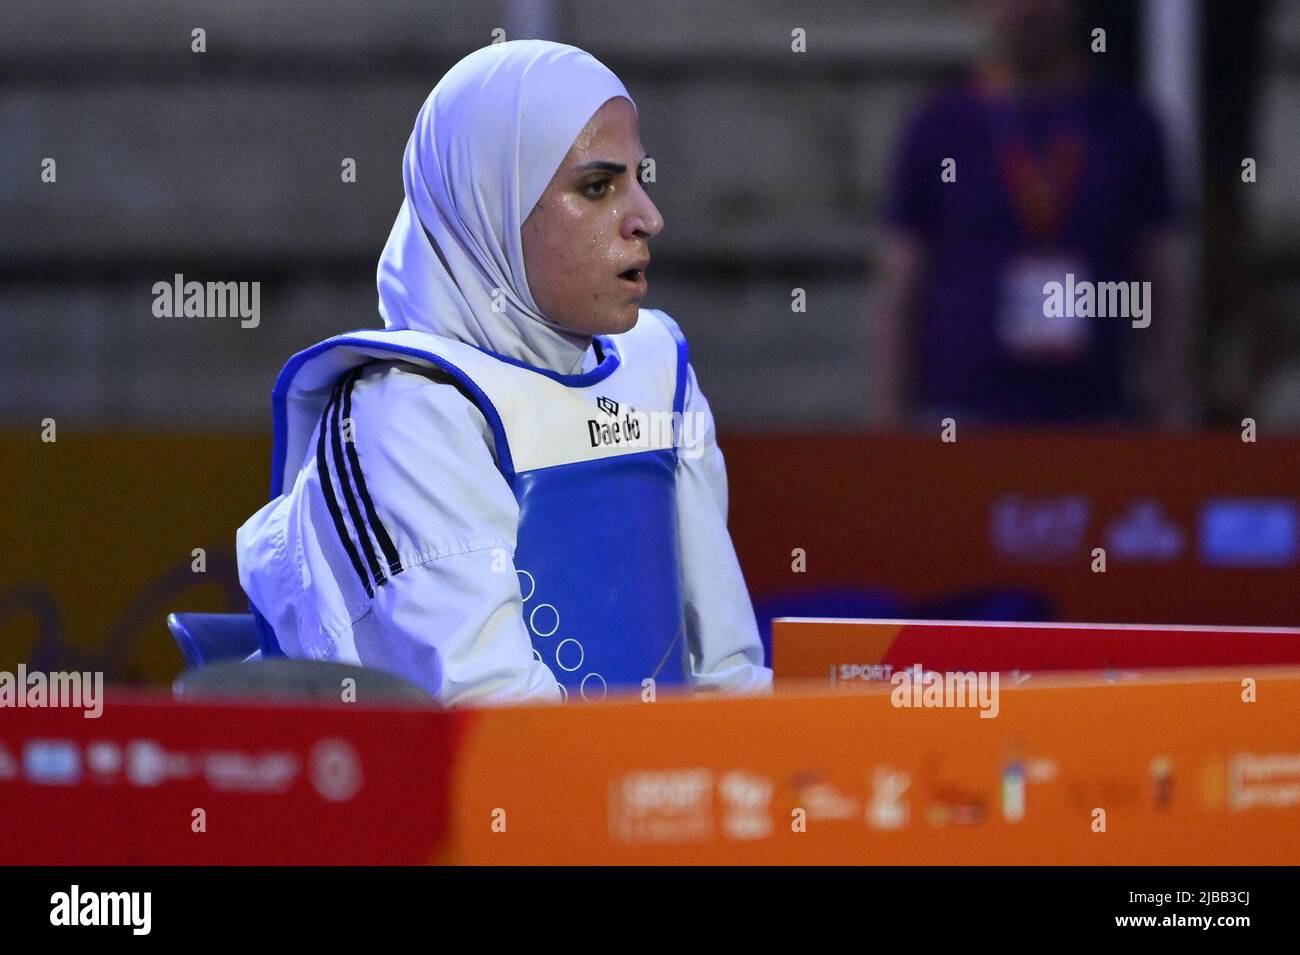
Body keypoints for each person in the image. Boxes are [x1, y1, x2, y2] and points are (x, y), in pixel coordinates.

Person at [235, 40, 772, 707]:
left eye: (639, 176)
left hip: (646, 794)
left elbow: (727, 674)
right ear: (485, 206)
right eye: (597, 187)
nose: (648, 217)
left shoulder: (657, 364)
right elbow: (498, 720)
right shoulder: (407, 410)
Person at [875, 0, 1187, 428]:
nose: (1030, 10)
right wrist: (891, 425)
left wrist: (1172, 408)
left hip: (1094, 418)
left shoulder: (1127, 123)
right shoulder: (937, 126)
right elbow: (901, 287)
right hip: (962, 420)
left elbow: (1161, 282)